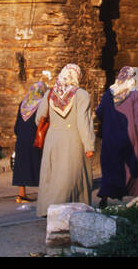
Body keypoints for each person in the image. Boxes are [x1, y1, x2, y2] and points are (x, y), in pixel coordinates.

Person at [35, 63, 96, 216]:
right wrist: (89, 145)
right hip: (73, 139)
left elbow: (39, 119)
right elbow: (84, 122)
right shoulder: (81, 94)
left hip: (52, 139)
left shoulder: (50, 93)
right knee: (72, 177)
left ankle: (48, 209)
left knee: (53, 176)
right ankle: (72, 211)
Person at [97, 66, 138, 202]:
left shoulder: (110, 92)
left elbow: (99, 112)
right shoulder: (137, 94)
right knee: (133, 163)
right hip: (130, 135)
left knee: (111, 165)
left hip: (110, 135)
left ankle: (106, 194)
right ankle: (135, 196)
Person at [12, 72, 49, 204]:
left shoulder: (23, 104)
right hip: (36, 140)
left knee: (21, 165)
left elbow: (16, 127)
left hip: (21, 140)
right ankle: (44, 194)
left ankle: (21, 195)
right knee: (41, 165)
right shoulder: (42, 104)